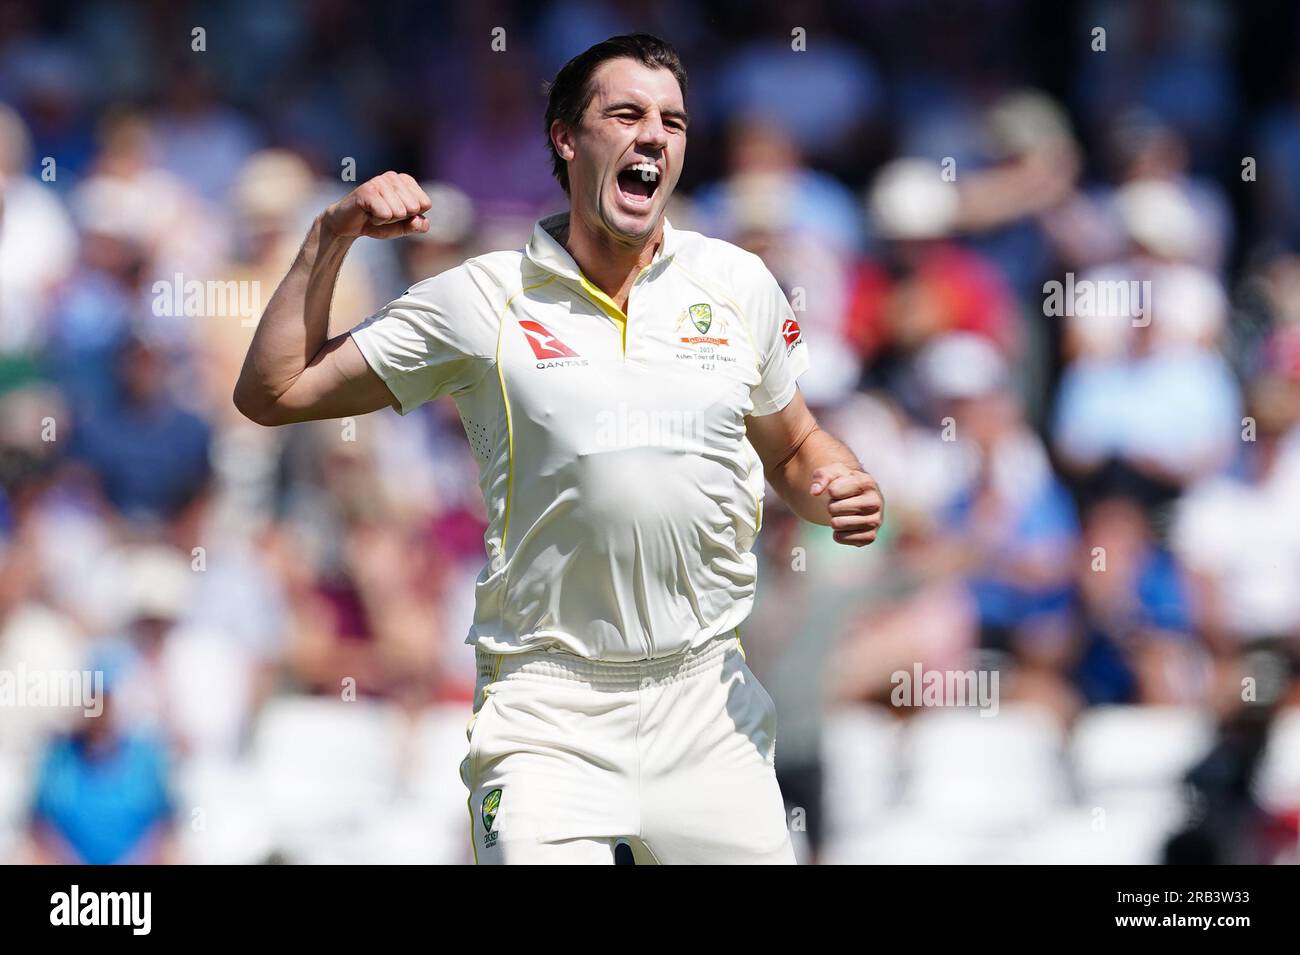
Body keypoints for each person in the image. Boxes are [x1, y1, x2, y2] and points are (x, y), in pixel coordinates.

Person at [233, 34, 884, 864]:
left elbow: (792, 446)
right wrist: (332, 236)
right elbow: (274, 390)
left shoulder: (736, 282)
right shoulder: (481, 298)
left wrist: (835, 478)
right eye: (626, 113)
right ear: (565, 138)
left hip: (708, 703)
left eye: (673, 121)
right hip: (548, 710)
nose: (653, 135)